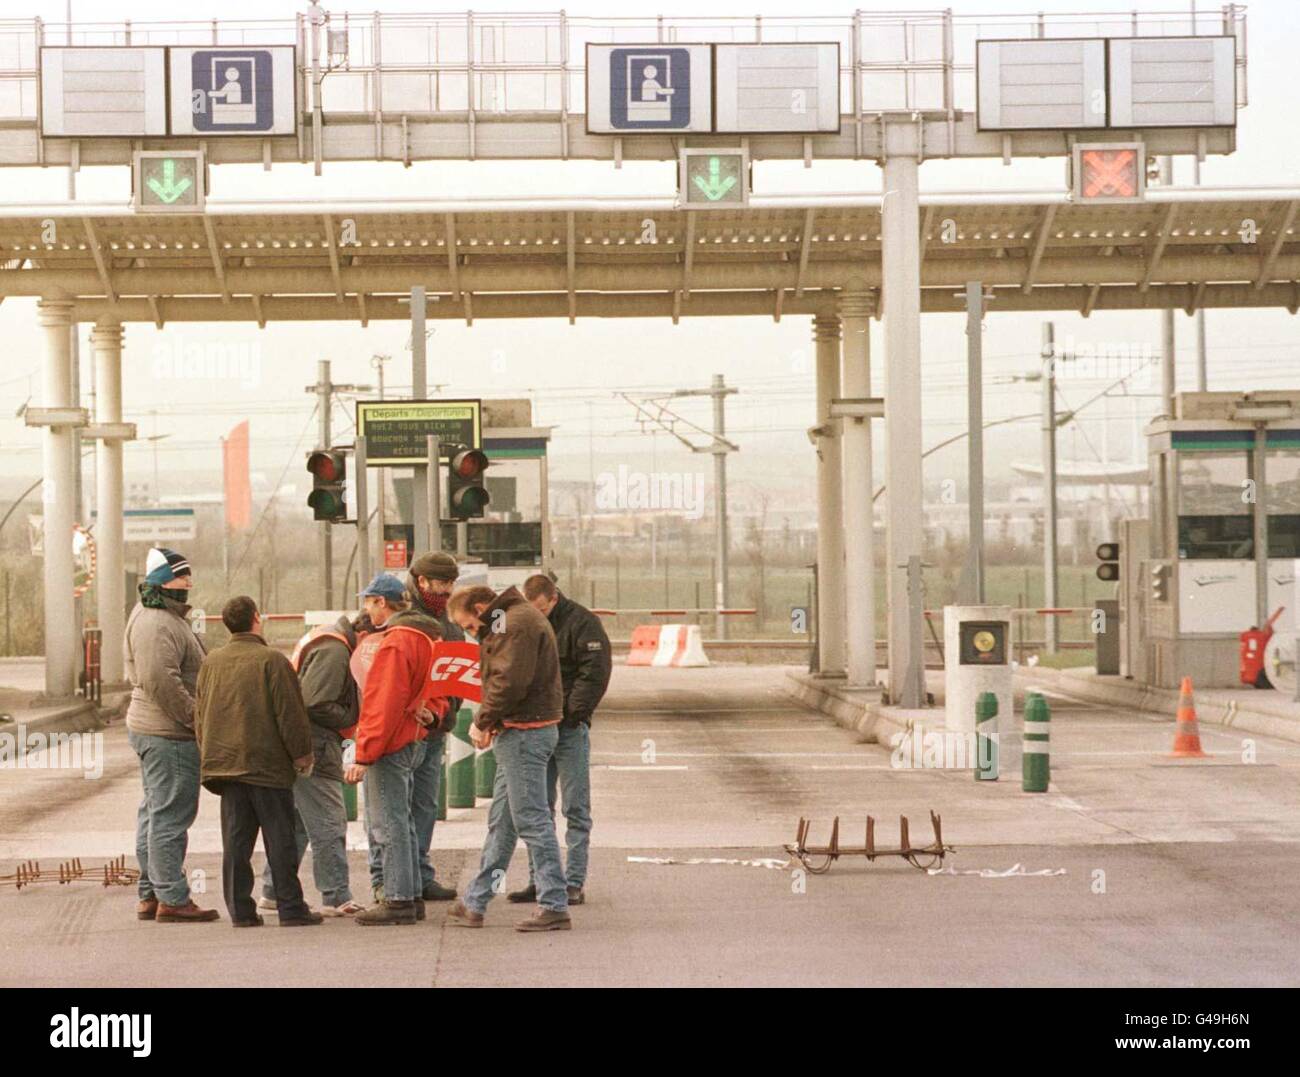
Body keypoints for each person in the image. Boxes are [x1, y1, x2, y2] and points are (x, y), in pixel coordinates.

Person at [445, 585, 570, 932]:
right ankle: (476, 900)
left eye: (470, 626)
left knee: (531, 819)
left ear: (482, 607)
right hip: (523, 730)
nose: (474, 635)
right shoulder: (513, 617)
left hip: (524, 733)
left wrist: (482, 720)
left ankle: (554, 904)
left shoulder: (509, 623)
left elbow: (509, 680)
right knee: (503, 822)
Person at [195, 596, 321, 928]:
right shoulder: (273, 661)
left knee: (236, 844)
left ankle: (241, 912)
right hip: (268, 767)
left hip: (227, 767)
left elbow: (200, 715)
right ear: (256, 618)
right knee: (280, 839)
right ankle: (291, 909)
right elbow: (290, 715)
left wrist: (209, 753)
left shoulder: (212, 663)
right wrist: (302, 755)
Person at [344, 573, 450, 926]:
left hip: (391, 743)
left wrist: (364, 753)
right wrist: (432, 716)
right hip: (417, 737)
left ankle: (399, 898)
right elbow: (440, 693)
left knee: (388, 826)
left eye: (369, 602)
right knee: (403, 823)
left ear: (381, 602)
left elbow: (381, 702)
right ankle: (411, 892)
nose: (366, 609)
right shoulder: (429, 637)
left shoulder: (395, 642)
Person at [124, 546, 219, 924]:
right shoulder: (157, 623)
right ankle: (173, 898)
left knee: (154, 812)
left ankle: (151, 893)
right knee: (171, 816)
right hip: (169, 733)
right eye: (182, 576)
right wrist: (197, 718)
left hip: (157, 730)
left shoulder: (160, 615)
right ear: (164, 581)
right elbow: (162, 681)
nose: (189, 582)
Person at [508, 574, 611, 906]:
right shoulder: (530, 622)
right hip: (539, 727)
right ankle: (542, 880)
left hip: (567, 728)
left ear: (553, 598)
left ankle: (573, 882)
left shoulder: (582, 623)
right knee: (539, 809)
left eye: (542, 609)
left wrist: (572, 713)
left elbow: (594, 671)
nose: (539, 615)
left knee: (575, 807)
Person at [367, 550, 463, 905]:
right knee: (392, 811)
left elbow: (454, 681)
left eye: (452, 583)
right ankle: (386, 880)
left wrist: (445, 716)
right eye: (442, 583)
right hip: (404, 731)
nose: (448, 590)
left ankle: (416, 874)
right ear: (421, 582)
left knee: (423, 805)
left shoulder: (449, 625)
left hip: (434, 728)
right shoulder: (400, 623)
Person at [256, 611, 367, 917]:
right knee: (329, 820)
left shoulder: (328, 638)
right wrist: (351, 718)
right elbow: (314, 702)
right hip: (315, 742)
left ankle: (273, 890)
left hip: (299, 740)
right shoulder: (337, 650)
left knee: (297, 824)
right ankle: (336, 896)